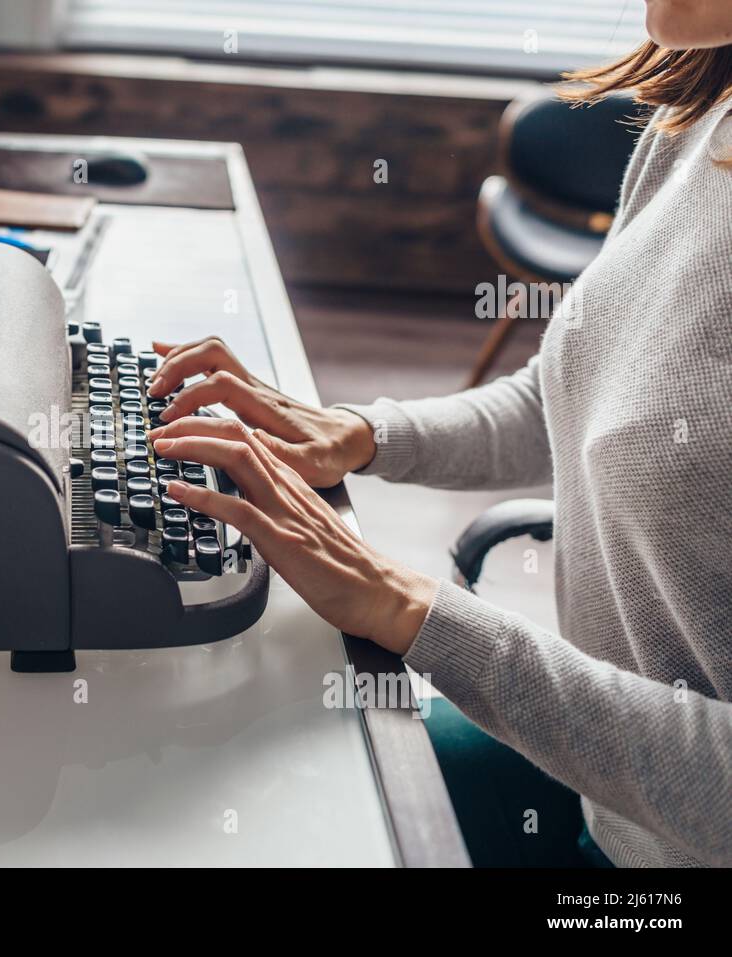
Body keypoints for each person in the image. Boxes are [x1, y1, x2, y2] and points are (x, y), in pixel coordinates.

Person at [146, 0, 732, 867]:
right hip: (590, 779)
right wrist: (365, 433)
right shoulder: (703, 116)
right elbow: (571, 392)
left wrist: (413, 609)